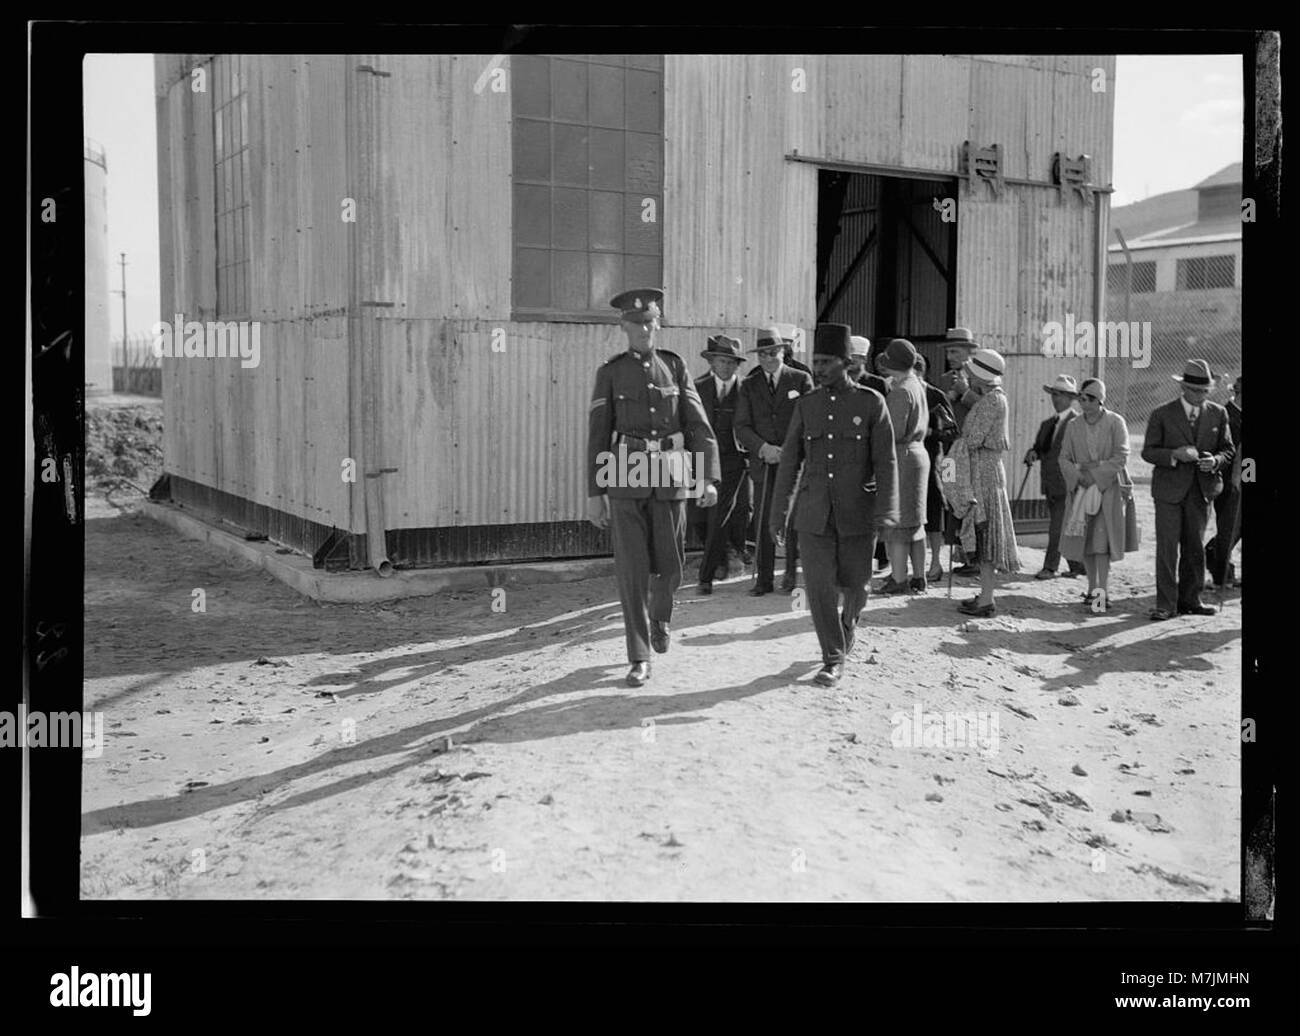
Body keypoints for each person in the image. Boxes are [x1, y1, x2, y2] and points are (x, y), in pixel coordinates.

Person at [586, 288, 720, 686]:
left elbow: (698, 425)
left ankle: (661, 615)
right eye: (637, 323)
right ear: (624, 327)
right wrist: (595, 494)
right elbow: (597, 436)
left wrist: (708, 477)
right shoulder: (610, 372)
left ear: (659, 324)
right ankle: (639, 656)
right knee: (631, 570)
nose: (645, 329)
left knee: (672, 564)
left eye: (651, 322)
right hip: (625, 472)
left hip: (671, 472)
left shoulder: (675, 368)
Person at [771, 323, 898, 686]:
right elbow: (790, 462)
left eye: (827, 361)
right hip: (813, 514)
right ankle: (833, 655)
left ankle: (849, 623)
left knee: (857, 585)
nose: (819, 368)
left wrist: (887, 511)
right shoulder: (807, 406)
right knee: (819, 588)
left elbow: (886, 462)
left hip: (858, 512)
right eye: (816, 361)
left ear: (845, 362)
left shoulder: (870, 403)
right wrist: (778, 514)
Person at [1140, 359, 1235, 621]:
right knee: (1168, 549)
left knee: (1194, 548)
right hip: (1168, 492)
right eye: (1196, 391)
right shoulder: (1162, 413)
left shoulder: (1218, 413)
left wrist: (1214, 461)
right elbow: (1148, 451)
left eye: (1205, 391)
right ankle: (1165, 604)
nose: (1201, 396)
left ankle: (1191, 600)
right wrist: (1174, 455)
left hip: (1201, 491)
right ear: (1183, 389)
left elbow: (1228, 450)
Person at [735, 326, 814, 595]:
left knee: (791, 517)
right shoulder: (749, 384)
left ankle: (790, 574)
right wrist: (762, 448)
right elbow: (742, 425)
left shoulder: (801, 379)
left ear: (783, 352)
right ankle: (763, 578)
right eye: (763, 354)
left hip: (794, 462)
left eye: (773, 353)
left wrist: (790, 450)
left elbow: (809, 420)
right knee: (764, 517)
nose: (768, 359)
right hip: (764, 462)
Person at [945, 348, 1020, 616]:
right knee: (983, 534)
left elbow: (973, 438)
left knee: (985, 534)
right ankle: (984, 594)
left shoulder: (991, 402)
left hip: (983, 476)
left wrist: (953, 443)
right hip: (984, 472)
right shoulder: (992, 398)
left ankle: (987, 599)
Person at [1056, 378, 1132, 612]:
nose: (1084, 402)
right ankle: (1091, 590)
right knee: (1085, 542)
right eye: (1081, 398)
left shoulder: (1115, 422)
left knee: (1102, 543)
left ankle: (1103, 593)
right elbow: (1064, 457)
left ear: (1100, 400)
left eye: (1089, 398)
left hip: (1106, 488)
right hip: (1080, 489)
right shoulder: (1073, 425)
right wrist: (1078, 477)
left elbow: (1121, 454)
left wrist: (1096, 475)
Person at [693, 335, 751, 595]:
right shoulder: (697, 387)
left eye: (731, 362)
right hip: (701, 459)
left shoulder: (747, 390)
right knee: (698, 516)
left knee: (722, 513)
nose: (726, 367)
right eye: (721, 361)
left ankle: (706, 577)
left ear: (737, 365)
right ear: (712, 362)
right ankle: (722, 556)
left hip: (734, 459)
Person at [876, 339, 931, 594]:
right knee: (915, 522)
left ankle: (898, 579)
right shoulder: (916, 385)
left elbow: (893, 432)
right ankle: (919, 577)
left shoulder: (899, 392)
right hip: (918, 454)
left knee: (898, 524)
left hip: (901, 457)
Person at [1025, 375, 1088, 580]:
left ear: (1072, 398)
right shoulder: (1047, 424)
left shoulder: (1079, 423)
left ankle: (1050, 567)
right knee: (1063, 525)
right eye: (1054, 394)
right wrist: (1033, 453)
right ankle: (1078, 565)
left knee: (1057, 527)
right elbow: (1042, 449)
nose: (1056, 399)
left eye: (1061, 395)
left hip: (1069, 485)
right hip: (1051, 483)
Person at [936, 327, 981, 574]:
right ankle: (961, 552)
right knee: (953, 497)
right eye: (949, 351)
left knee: (971, 499)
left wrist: (965, 393)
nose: (951, 356)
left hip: (972, 450)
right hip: (950, 448)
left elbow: (989, 409)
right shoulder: (944, 379)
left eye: (955, 351)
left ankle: (975, 556)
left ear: (969, 352)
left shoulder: (981, 379)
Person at [916, 353, 958, 582]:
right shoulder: (901, 394)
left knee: (933, 512)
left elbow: (953, 431)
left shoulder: (935, 396)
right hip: (908, 463)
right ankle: (914, 566)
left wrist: (932, 433)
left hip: (932, 461)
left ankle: (935, 564)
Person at [1205, 373, 1242, 588]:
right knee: (1229, 526)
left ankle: (1217, 558)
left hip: (1244, 479)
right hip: (1226, 481)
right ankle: (1220, 570)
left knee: (1237, 526)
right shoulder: (1225, 415)